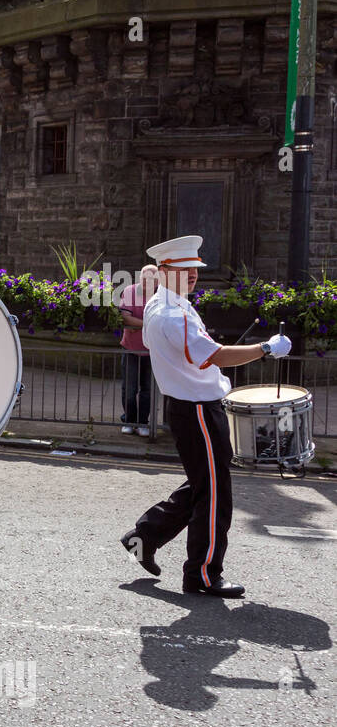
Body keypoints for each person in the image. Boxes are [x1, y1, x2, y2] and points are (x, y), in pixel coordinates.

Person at [122, 235, 292, 598]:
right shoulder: (174, 313)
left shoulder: (159, 304)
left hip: (189, 406)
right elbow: (216, 355)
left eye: (195, 270)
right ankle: (202, 574)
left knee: (206, 485)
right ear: (165, 272)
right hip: (197, 409)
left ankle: (145, 535)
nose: (193, 276)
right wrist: (265, 349)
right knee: (216, 496)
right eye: (184, 271)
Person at [117, 264, 159, 437]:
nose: (147, 282)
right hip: (131, 348)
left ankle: (142, 423)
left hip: (152, 351)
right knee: (129, 389)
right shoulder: (129, 291)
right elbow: (125, 317)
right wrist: (149, 324)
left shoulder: (162, 295)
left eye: (151, 279)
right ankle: (129, 420)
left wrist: (139, 324)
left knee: (147, 390)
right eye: (144, 278)